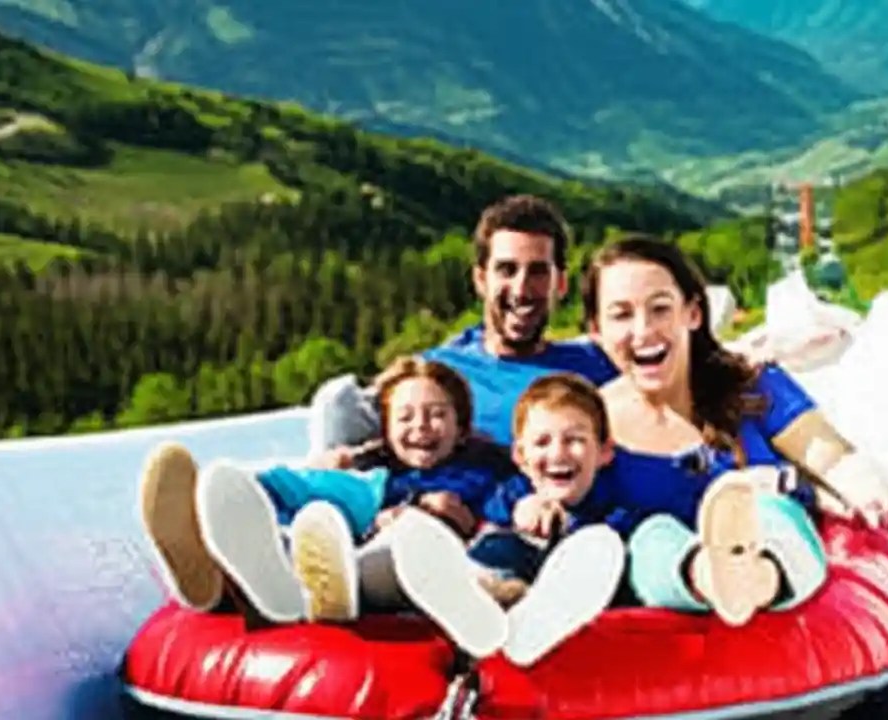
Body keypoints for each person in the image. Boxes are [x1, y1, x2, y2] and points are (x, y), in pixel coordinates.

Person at [576, 234, 888, 626]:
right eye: (621, 315)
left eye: (660, 309)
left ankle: (755, 579)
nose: (643, 331)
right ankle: (710, 576)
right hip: (671, 589)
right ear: (596, 330)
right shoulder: (589, 421)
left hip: (770, 555)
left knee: (767, 509)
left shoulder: (750, 385)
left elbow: (827, 453)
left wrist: (864, 487)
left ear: (692, 314)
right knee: (650, 539)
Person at [138, 355, 515, 626]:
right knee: (306, 509)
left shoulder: (480, 471)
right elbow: (323, 485)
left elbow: (501, 518)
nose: (421, 427)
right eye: (405, 417)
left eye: (437, 415)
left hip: (402, 563)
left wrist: (462, 519)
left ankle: (314, 584)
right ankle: (210, 563)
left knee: (396, 545)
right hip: (353, 536)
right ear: (385, 431)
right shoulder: (374, 471)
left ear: (461, 427)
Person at [308, 194, 620, 453]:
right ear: (481, 279)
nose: (522, 289)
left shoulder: (598, 367)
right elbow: (350, 421)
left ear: (561, 284)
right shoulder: (435, 374)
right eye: (507, 270)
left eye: (538, 272)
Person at [387, 373, 633, 667]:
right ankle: (477, 604)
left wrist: (569, 524)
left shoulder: (612, 508)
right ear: (520, 455)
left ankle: (532, 619)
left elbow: (617, 536)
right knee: (499, 543)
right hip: (502, 582)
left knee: (599, 549)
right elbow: (487, 515)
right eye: (542, 442)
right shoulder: (511, 492)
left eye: (575, 440)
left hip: (555, 589)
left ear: (604, 452)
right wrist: (520, 509)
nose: (557, 453)